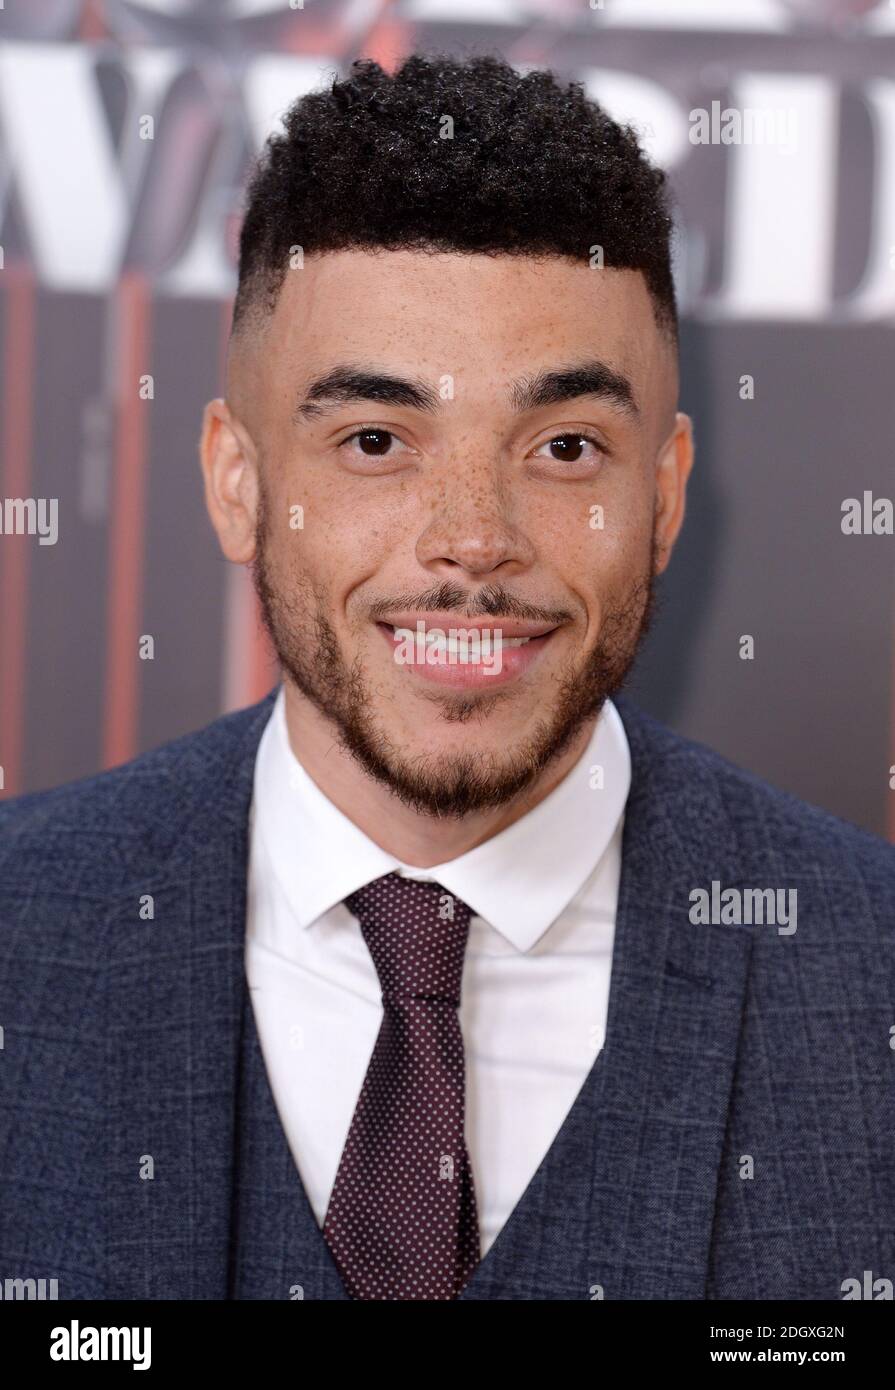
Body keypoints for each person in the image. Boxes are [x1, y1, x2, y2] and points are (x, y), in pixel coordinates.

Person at [1, 54, 892, 1303]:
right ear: (236, 481)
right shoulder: (20, 932)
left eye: (566, 447)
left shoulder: (869, 970)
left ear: (667, 493)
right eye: (375, 441)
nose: (473, 539)